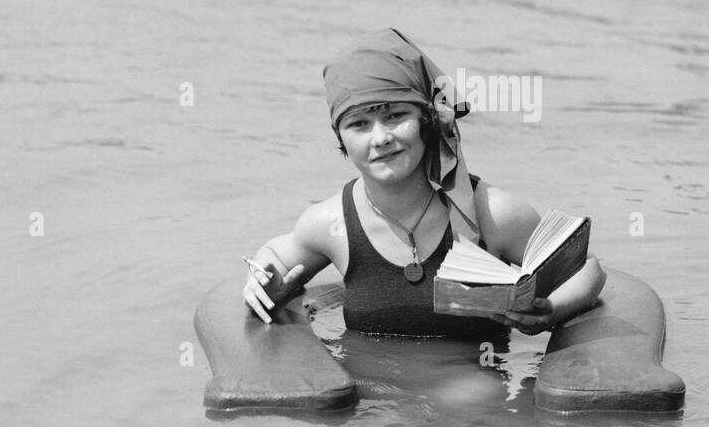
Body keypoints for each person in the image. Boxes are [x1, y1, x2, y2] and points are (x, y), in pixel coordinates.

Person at [243, 27, 605, 339]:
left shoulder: (492, 213)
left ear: (427, 122)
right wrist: (259, 280)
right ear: (341, 138)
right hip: (371, 411)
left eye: (396, 116)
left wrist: (551, 311)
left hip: (473, 405)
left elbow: (587, 268)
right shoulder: (331, 224)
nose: (380, 138)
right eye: (359, 124)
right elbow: (275, 255)